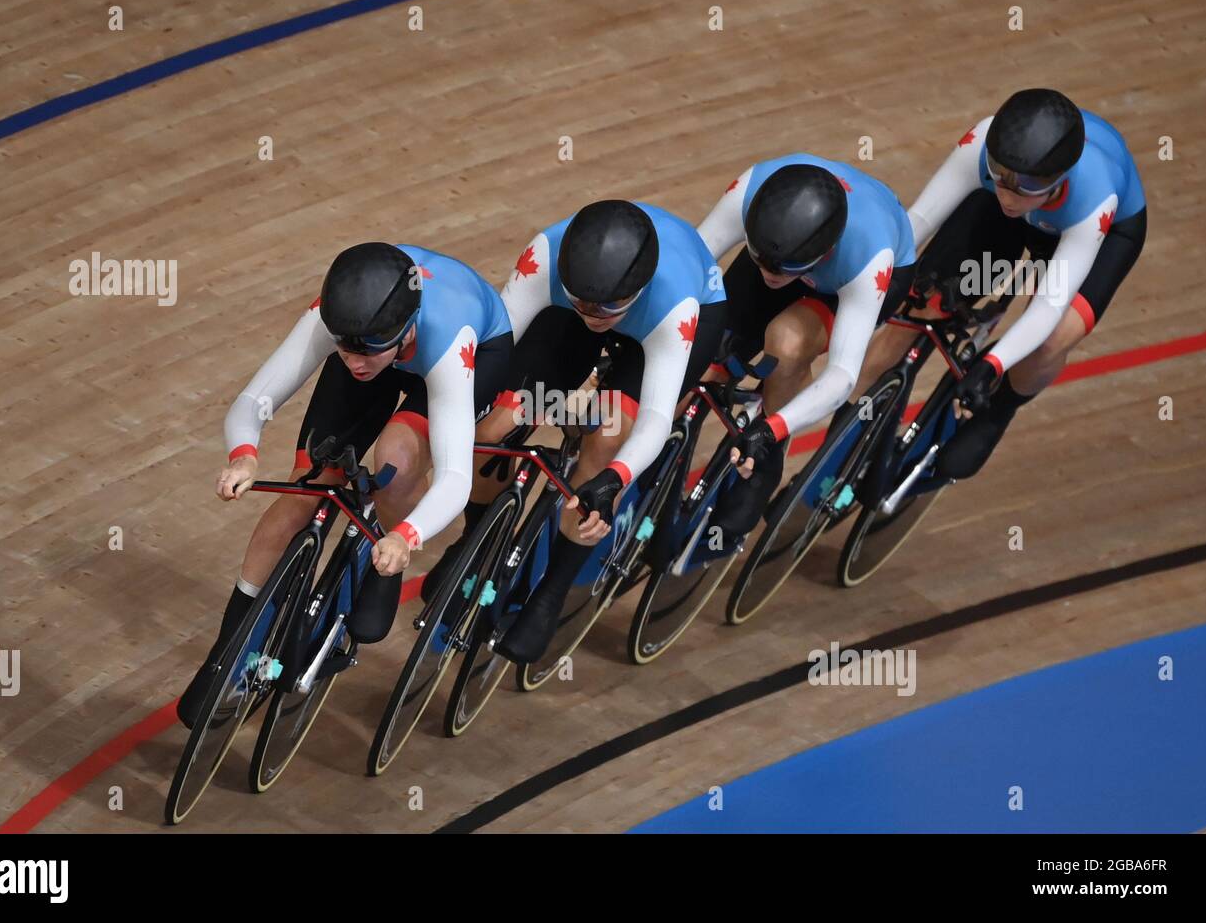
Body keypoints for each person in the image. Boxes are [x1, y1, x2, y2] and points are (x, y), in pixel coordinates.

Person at [177, 242, 513, 728]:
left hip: (476, 348)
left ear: (403, 332)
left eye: (366, 351)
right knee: (306, 488)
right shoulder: (341, 323)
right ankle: (228, 649)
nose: (353, 361)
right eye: (343, 348)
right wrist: (243, 456)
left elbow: (457, 475)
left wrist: (406, 536)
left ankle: (386, 560)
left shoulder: (448, 338)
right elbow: (255, 399)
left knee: (396, 457)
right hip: (388, 340)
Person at [424, 200, 727, 664]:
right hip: (567, 319)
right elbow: (495, 347)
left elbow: (655, 418)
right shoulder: (545, 258)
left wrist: (614, 479)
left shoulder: (674, 301)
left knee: (607, 435)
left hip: (680, 320)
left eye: (605, 305)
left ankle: (553, 588)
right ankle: (474, 538)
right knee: (497, 425)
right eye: (583, 299)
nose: (593, 311)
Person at [862, 88, 1147, 479]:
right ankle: (851, 438)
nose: (1009, 192)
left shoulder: (1094, 195)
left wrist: (994, 366)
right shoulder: (982, 146)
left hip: (1102, 235)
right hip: (1011, 220)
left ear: (1058, 179)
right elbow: (916, 224)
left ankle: (1000, 410)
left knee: (1050, 340)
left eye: (1025, 184)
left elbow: (1049, 303)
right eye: (999, 174)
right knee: (922, 298)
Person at [696, 156, 917, 534]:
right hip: (785, 247)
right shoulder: (750, 194)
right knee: (705, 360)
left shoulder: (867, 256)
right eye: (760, 261)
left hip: (850, 279)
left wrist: (774, 428)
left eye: (780, 270)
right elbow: (689, 266)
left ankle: (767, 462)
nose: (768, 276)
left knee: (787, 342)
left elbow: (842, 377)